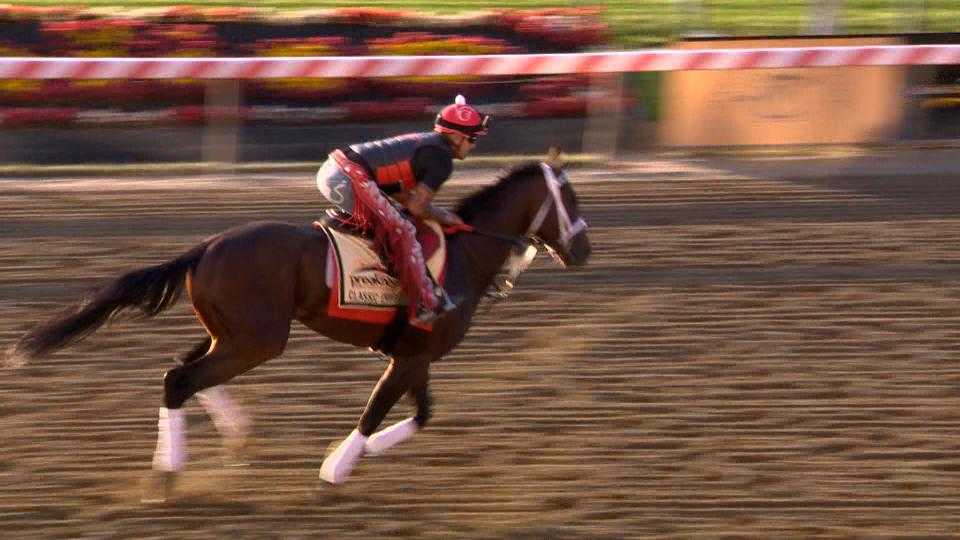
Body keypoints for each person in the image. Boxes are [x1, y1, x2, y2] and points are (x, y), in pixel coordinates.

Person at [316, 94, 490, 328]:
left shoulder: (429, 146)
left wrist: (442, 215)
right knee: (403, 229)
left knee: (395, 220)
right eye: (472, 139)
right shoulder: (441, 158)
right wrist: (448, 217)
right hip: (347, 175)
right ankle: (424, 306)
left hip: (338, 170)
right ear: (457, 137)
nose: (473, 145)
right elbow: (418, 207)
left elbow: (401, 195)